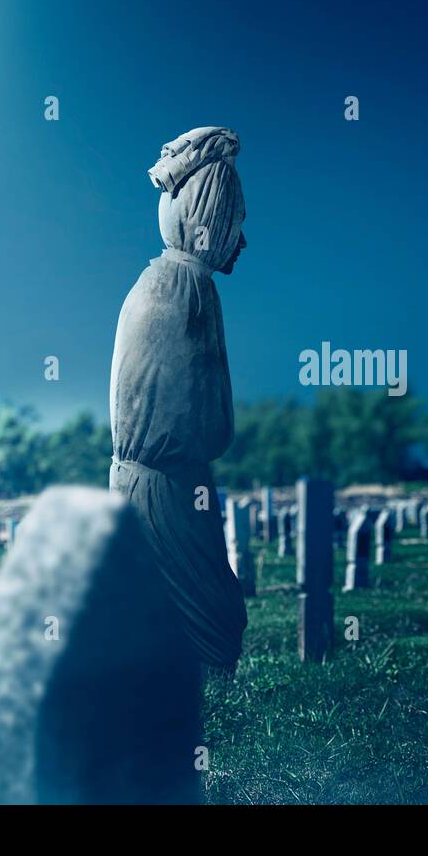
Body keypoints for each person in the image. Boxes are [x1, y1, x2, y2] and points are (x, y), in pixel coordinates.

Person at [108, 126, 248, 674]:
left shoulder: (170, 281)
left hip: (164, 480)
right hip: (164, 485)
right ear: (212, 220)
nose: (242, 238)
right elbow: (190, 420)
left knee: (205, 614)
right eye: (236, 221)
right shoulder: (182, 290)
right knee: (207, 617)